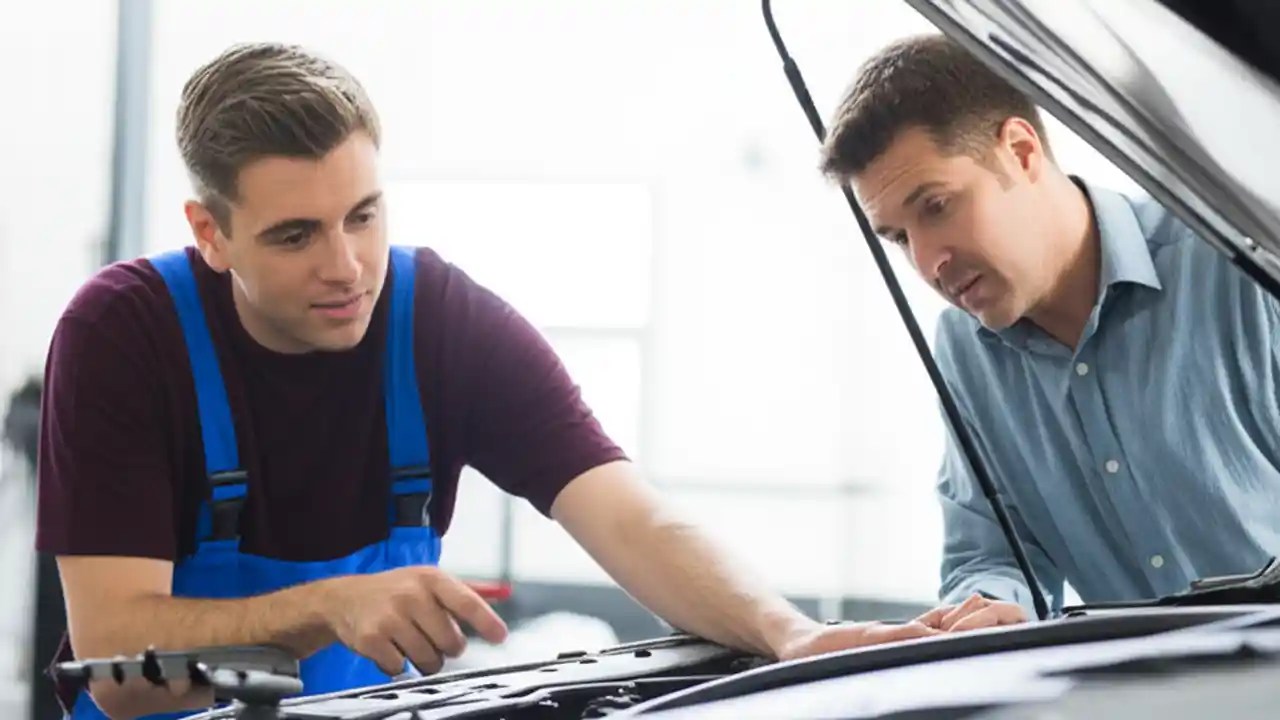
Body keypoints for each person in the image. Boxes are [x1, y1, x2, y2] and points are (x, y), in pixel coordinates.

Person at [36, 42, 942, 720]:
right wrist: (330, 609)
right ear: (212, 232)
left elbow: (629, 516)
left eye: (364, 215)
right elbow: (119, 670)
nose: (347, 266)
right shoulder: (123, 337)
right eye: (295, 235)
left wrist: (793, 636)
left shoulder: (439, 321)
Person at [818, 34, 1280, 630]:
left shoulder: (1237, 267)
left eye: (935, 206)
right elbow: (991, 554)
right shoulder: (964, 352)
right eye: (900, 238)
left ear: (1021, 150)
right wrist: (987, 606)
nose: (927, 260)